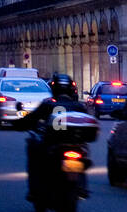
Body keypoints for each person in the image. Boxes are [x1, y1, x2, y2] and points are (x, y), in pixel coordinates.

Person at [14, 73, 90, 201]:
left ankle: (35, 188)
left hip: (53, 145)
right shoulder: (79, 106)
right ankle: (81, 185)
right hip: (75, 144)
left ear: (53, 89)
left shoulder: (48, 105)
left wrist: (19, 123)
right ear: (71, 90)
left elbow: (31, 119)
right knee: (84, 155)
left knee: (34, 155)